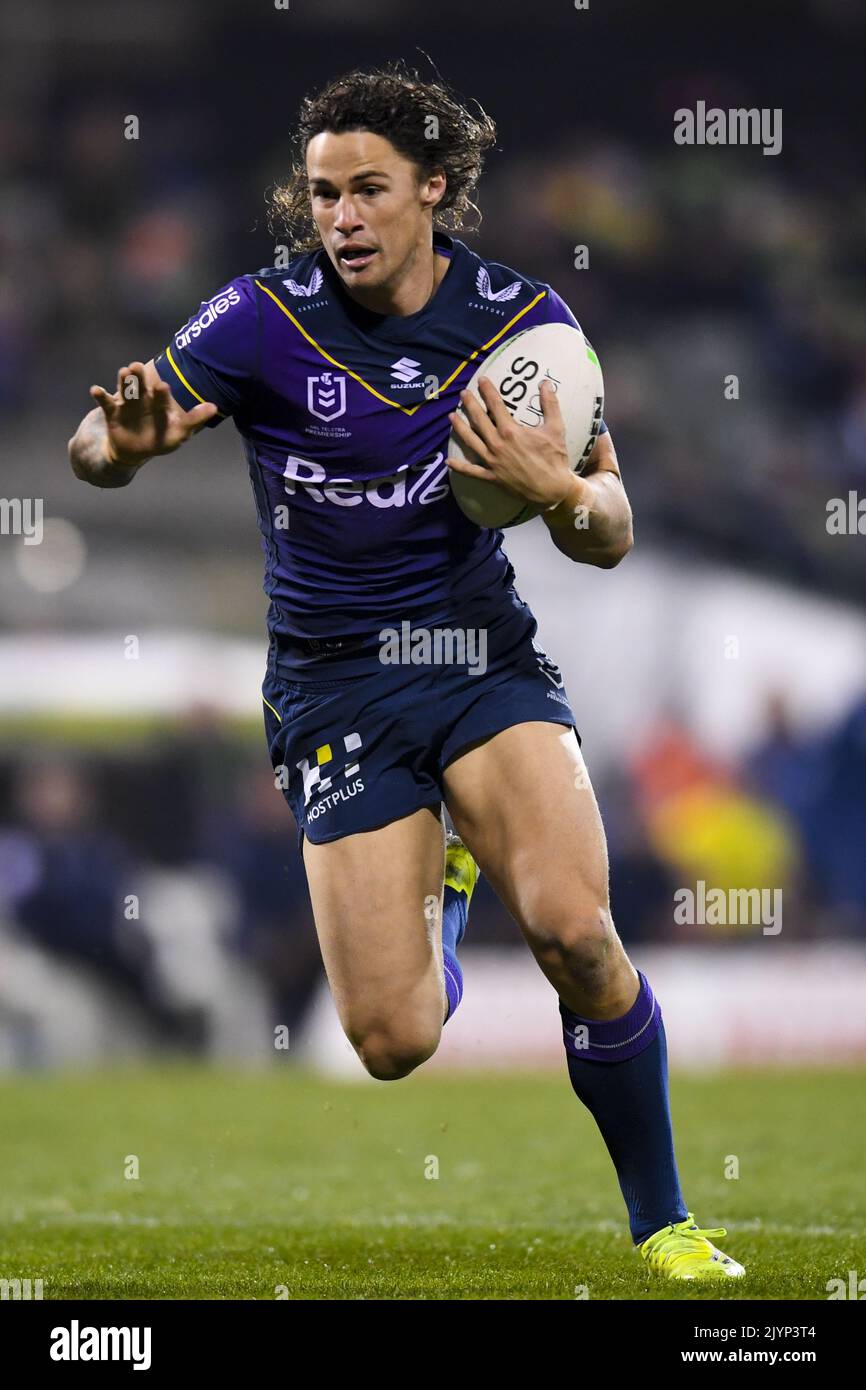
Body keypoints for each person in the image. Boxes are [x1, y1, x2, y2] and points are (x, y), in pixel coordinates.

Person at [68, 62, 743, 1280]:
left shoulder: (523, 328)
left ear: (432, 189)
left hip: (477, 662)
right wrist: (115, 449)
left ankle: (664, 1224)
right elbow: (101, 441)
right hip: (331, 685)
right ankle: (446, 887)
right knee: (391, 1040)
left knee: (579, 934)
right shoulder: (260, 319)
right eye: (322, 193)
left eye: (367, 189)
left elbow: (610, 530)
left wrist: (556, 492)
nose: (340, 218)